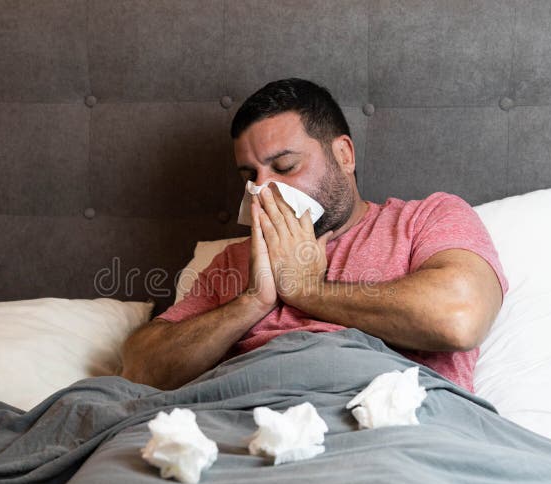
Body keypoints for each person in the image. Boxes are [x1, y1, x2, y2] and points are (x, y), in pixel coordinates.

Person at [121, 78, 507, 393]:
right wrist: (253, 301)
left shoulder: (425, 219)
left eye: (284, 166)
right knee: (89, 403)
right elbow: (140, 369)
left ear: (343, 155)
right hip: (245, 420)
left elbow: (459, 318)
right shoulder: (236, 261)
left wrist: (307, 291)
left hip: (384, 420)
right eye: (249, 177)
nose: (263, 189)